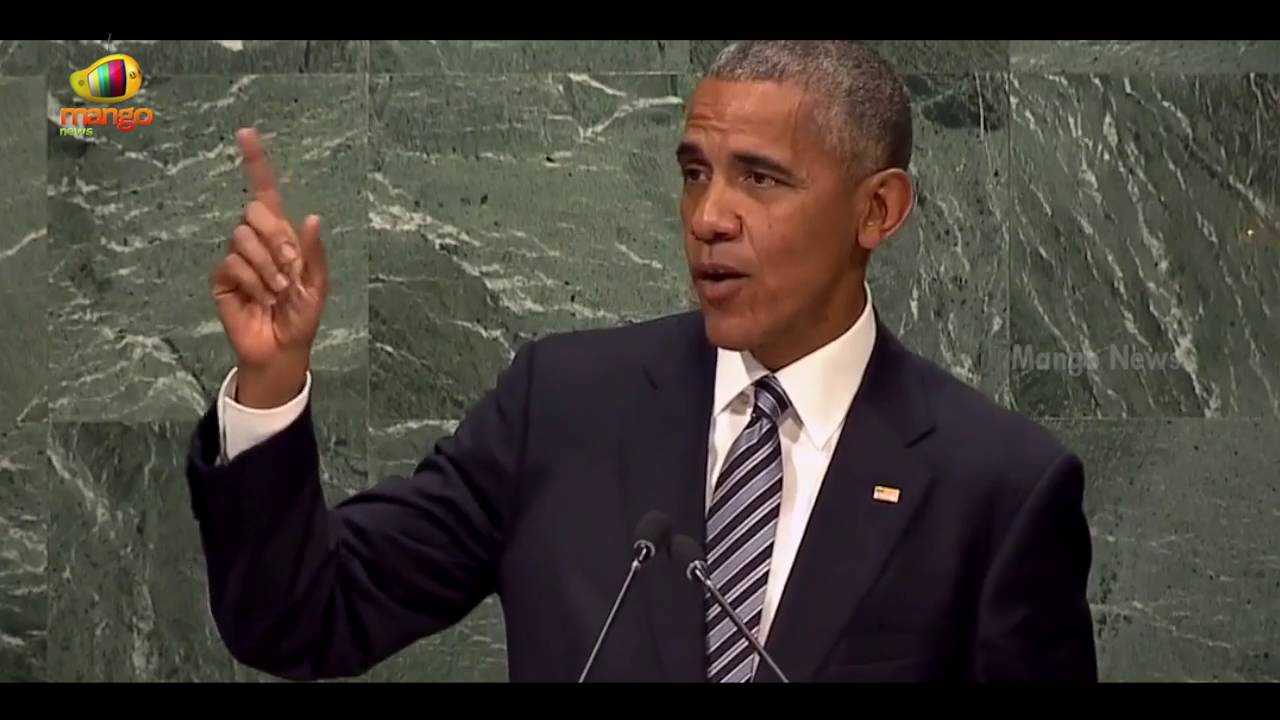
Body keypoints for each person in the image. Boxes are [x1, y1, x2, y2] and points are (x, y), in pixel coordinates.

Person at [187, 40, 1097, 683]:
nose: (709, 217)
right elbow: (302, 619)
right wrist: (270, 381)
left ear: (878, 211)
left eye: (760, 178)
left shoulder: (998, 488)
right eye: (695, 172)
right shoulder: (563, 408)